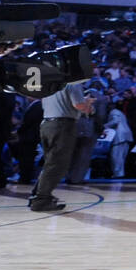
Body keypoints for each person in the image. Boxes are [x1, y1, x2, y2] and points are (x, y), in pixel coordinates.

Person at [29, 81, 94, 211]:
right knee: (57, 164)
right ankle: (41, 199)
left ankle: (37, 195)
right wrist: (88, 104)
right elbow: (79, 105)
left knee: (50, 163)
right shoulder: (73, 83)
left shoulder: (49, 82)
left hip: (46, 124)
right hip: (63, 125)